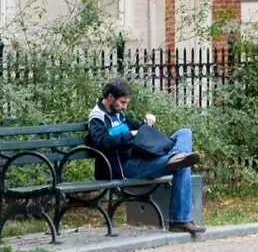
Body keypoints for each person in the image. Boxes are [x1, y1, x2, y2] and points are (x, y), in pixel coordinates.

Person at [86, 79, 205, 233]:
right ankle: (179, 220)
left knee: (185, 133)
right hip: (125, 167)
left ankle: (176, 157)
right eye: (122, 102)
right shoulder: (97, 117)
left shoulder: (119, 114)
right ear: (110, 97)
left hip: (141, 158)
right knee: (182, 166)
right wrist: (129, 135)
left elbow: (139, 130)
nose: (124, 106)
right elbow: (101, 141)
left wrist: (147, 122)